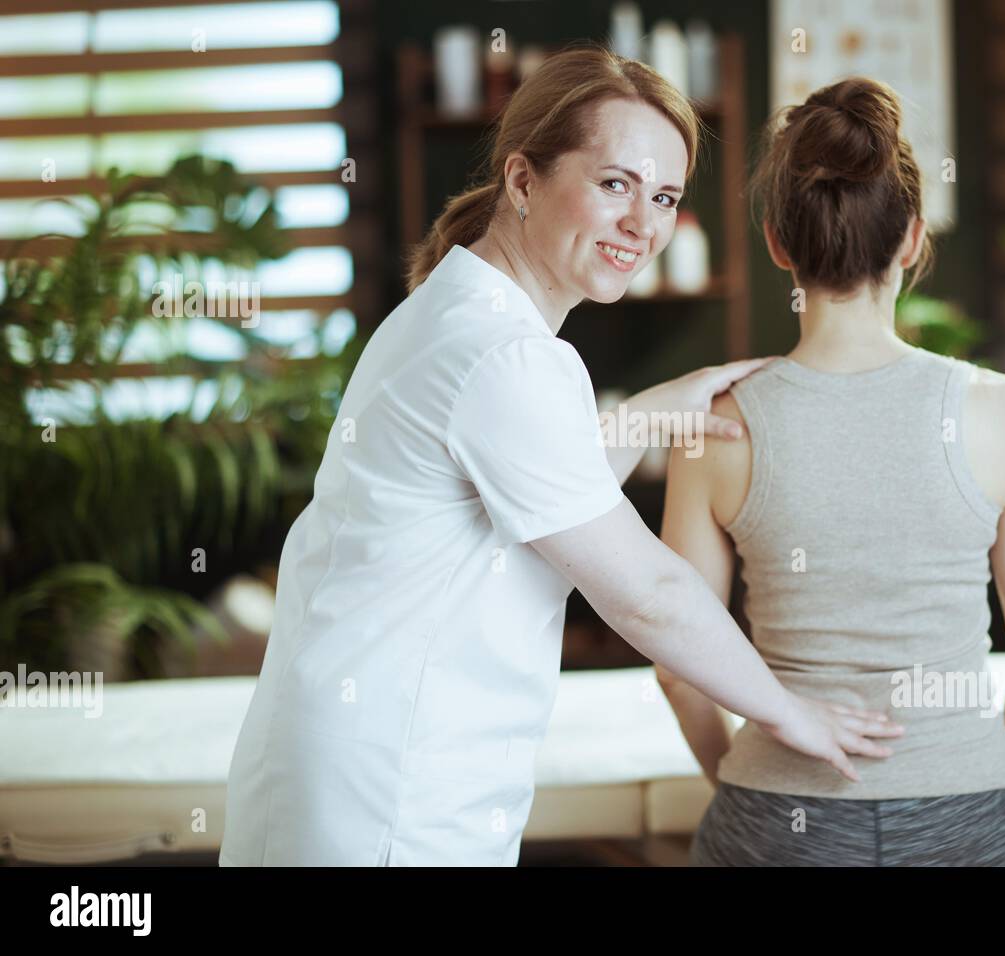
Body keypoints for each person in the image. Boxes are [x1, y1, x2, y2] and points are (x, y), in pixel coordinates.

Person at [219, 48, 897, 867]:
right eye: (614, 183)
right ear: (522, 180)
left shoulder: (453, 316)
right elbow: (646, 594)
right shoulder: (505, 355)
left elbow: (515, 505)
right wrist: (793, 713)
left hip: (346, 774)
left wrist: (645, 415)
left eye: (666, 197)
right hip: (390, 798)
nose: (643, 225)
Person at [657, 77, 1005, 866]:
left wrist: (743, 782)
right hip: (971, 815)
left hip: (776, 819)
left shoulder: (713, 424)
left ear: (778, 242)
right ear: (913, 239)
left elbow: (680, 666)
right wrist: (985, 779)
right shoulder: (998, 410)